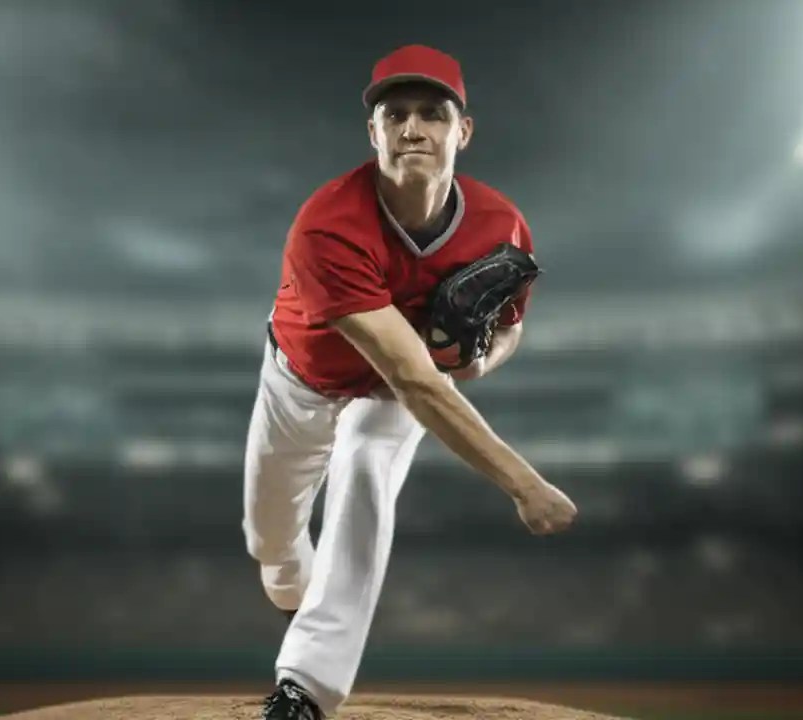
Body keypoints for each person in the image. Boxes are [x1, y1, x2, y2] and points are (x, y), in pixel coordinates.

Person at [243, 44, 578, 720]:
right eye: (395, 115)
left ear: (463, 130)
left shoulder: (501, 225)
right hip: (301, 383)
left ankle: (305, 686)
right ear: (374, 133)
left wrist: (483, 358)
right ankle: (297, 593)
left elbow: (508, 328)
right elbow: (419, 377)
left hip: (386, 394)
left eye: (433, 113)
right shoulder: (328, 224)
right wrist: (525, 484)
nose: (413, 129)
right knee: (270, 539)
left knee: (367, 463)